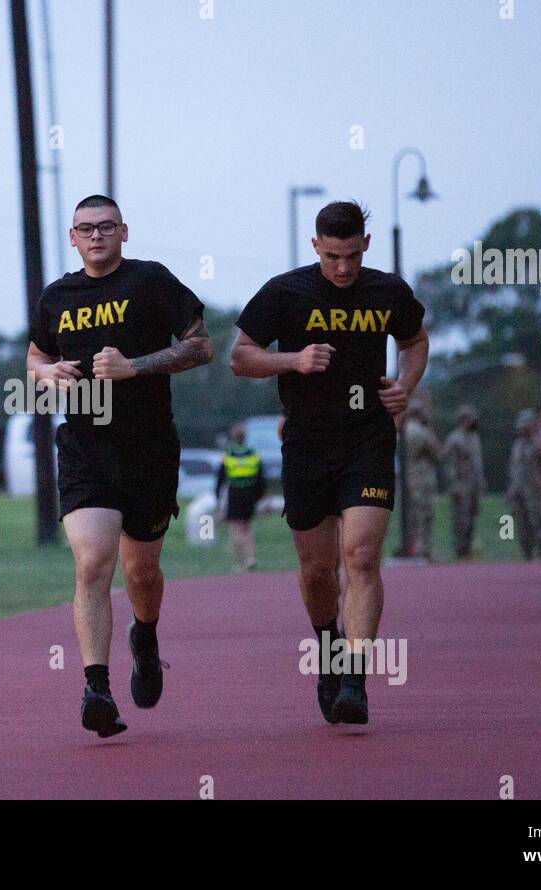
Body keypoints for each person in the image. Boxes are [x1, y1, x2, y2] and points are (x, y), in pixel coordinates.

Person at [231, 200, 428, 725]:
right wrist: (292, 360)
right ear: (316, 246)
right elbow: (240, 356)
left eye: (351, 256)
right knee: (318, 569)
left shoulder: (388, 291)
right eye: (333, 256)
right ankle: (328, 648)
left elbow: (414, 341)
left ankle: (356, 680)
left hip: (367, 437)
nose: (343, 268)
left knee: (361, 556)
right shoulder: (285, 292)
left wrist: (404, 388)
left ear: (366, 244)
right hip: (307, 443)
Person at [27, 195, 213, 737]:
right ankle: (96, 689)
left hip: (149, 449)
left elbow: (201, 347)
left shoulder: (150, 281)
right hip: (86, 451)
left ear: (124, 231)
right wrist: (47, 372)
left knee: (141, 573)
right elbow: (34, 357)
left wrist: (135, 367)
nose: (96, 236)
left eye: (106, 227)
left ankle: (146, 637)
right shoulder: (57, 296)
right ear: (72, 237)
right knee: (92, 564)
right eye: (85, 229)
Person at [215, 423, 266, 572]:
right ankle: (251, 558)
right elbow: (261, 477)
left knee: (235, 528)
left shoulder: (228, 454)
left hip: (235, 493)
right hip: (250, 493)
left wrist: (217, 496)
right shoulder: (253, 454)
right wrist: (259, 495)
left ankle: (238, 562)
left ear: (232, 437)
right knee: (248, 527)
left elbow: (220, 478)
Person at [506, 408, 541, 560]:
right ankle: (527, 556)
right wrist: (510, 489)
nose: (523, 428)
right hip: (518, 489)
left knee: (537, 523)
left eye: (526, 425)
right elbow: (514, 467)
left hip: (534, 490)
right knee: (521, 525)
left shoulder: (539, 443)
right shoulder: (517, 444)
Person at [402, 391, 442, 560]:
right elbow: (436, 452)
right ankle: (421, 548)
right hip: (421, 476)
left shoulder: (408, 429)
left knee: (417, 513)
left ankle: (416, 547)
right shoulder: (418, 430)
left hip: (414, 475)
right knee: (423, 513)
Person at [443, 405, 486, 559]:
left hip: (474, 484)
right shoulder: (454, 438)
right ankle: (459, 550)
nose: (473, 422)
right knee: (461, 519)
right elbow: (449, 464)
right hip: (461, 485)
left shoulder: (474, 437)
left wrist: (481, 483)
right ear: (463, 420)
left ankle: (467, 549)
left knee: (472, 517)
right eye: (470, 419)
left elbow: (478, 462)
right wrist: (454, 486)